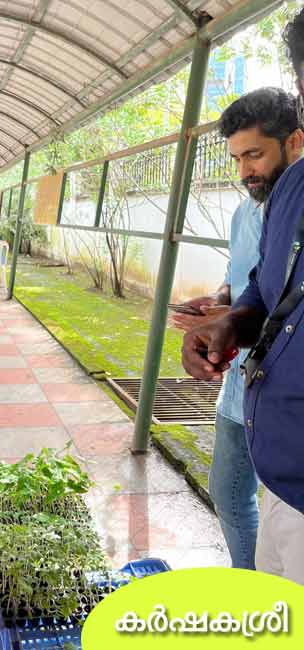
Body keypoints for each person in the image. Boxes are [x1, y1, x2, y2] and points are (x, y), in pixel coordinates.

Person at [181, 45, 304, 588]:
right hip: (261, 409)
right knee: (234, 495)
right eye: (236, 159)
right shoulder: (278, 199)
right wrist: (227, 317)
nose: (245, 171)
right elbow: (264, 284)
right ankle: (246, 585)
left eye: (253, 155)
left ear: (292, 142)